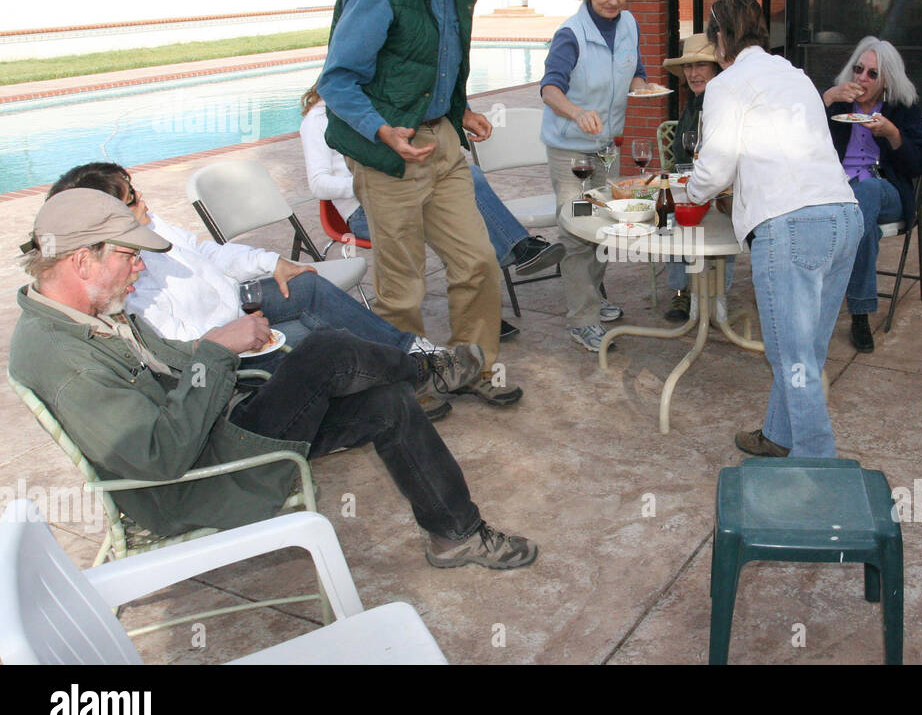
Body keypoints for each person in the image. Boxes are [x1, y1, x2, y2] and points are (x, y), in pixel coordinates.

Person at [10, 189, 538, 569]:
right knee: (327, 350)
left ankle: (456, 533)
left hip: (213, 436)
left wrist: (222, 345)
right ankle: (432, 371)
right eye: (129, 256)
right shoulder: (68, 359)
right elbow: (160, 458)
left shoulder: (91, 314)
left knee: (386, 400)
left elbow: (174, 360)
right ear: (81, 261)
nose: (140, 268)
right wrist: (217, 352)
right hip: (196, 482)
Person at [45, 161, 482, 421]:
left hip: (237, 305)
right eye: (133, 197)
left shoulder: (153, 228)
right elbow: (180, 349)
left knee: (306, 284)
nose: (145, 201)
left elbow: (207, 252)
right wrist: (236, 331)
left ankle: (424, 356)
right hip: (225, 346)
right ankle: (413, 376)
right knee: (324, 343)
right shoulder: (118, 280)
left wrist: (271, 263)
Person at [317, 0, 521, 407]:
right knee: (402, 284)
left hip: (442, 145)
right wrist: (381, 130)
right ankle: (406, 383)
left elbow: (441, 64)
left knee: (477, 261)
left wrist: (460, 111)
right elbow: (337, 80)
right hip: (389, 155)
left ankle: (472, 367)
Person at [686, 0, 864, 459]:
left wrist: (687, 191)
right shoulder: (797, 76)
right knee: (808, 354)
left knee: (792, 357)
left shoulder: (727, 84)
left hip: (791, 226)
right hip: (845, 217)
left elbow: (717, 166)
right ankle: (780, 435)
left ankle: (817, 476)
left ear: (721, 36)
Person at [298, 86, 564, 341]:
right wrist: (378, 182)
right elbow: (318, 183)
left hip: (406, 193)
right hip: (364, 211)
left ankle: (508, 265)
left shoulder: (378, 110)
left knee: (462, 188)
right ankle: (515, 254)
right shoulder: (318, 119)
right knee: (447, 223)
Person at [540, 0, 648, 352]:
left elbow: (635, 70)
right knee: (576, 232)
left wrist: (642, 87)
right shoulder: (571, 34)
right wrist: (576, 112)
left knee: (602, 229)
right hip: (572, 155)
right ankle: (582, 319)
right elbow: (550, 88)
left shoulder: (629, 25)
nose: (613, 1)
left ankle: (593, 297)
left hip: (606, 149)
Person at [821, 36, 922, 353]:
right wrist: (825, 98)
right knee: (861, 223)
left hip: (887, 190)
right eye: (858, 69)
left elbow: (918, 165)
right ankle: (860, 313)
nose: (862, 78)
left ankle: (827, 294)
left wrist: (893, 134)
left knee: (865, 193)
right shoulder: (839, 105)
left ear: (887, 81)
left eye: (872, 74)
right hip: (843, 192)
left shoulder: (902, 109)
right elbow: (802, 138)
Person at [660, 33, 731, 322]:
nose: (692, 73)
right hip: (692, 183)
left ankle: (718, 294)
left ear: (715, 68)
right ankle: (681, 292)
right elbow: (680, 154)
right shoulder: (692, 103)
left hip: (724, 186)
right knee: (668, 212)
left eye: (701, 65)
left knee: (727, 212)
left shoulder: (725, 102)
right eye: (688, 67)